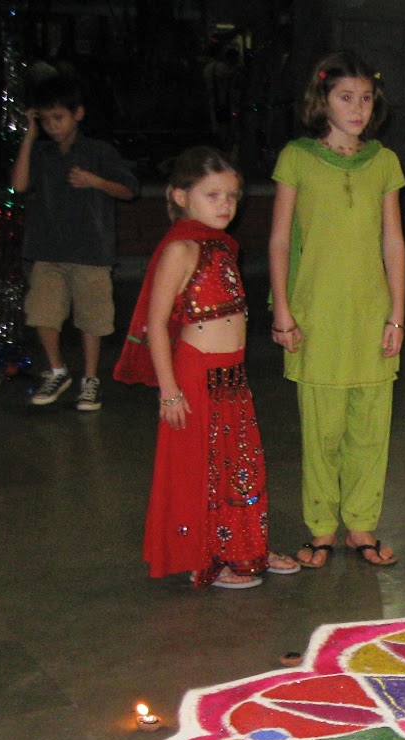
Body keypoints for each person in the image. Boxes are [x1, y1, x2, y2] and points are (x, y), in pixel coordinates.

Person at [114, 146, 299, 589]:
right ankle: (211, 557)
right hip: (195, 377)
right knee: (204, 470)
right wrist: (170, 391)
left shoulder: (221, 246)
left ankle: (247, 546)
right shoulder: (180, 249)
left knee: (243, 466)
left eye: (232, 196)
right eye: (213, 195)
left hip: (232, 377)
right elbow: (157, 325)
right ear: (180, 196)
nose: (225, 205)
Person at [269, 51, 405, 568]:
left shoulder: (384, 162)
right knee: (322, 429)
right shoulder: (297, 158)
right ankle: (322, 528)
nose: (358, 108)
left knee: (370, 426)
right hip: (316, 314)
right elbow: (281, 240)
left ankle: (362, 525)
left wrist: (396, 315)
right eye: (346, 97)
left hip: (371, 315)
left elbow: (393, 242)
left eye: (366, 98)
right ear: (321, 100)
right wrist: (282, 309)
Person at [11, 73, 139, 411]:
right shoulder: (41, 153)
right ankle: (57, 370)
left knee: (92, 317)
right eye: (46, 118)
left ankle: (90, 379)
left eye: (59, 117)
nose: (53, 126)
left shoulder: (98, 151)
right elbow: (19, 185)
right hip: (47, 248)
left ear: (77, 114)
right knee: (42, 312)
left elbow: (128, 189)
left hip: (90, 251)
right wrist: (29, 135)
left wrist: (95, 181)